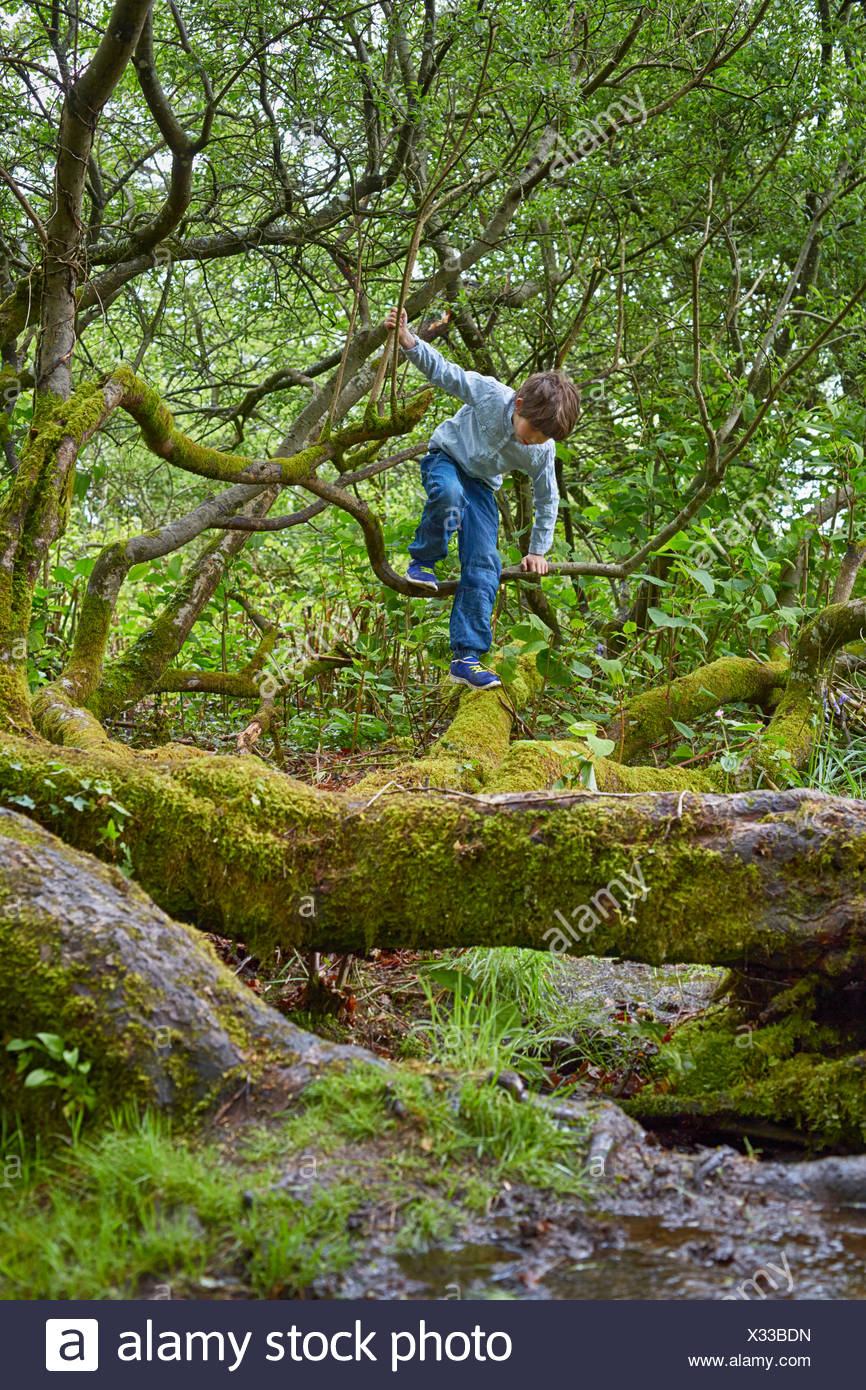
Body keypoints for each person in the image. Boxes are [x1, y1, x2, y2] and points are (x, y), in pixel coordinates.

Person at [384, 306, 581, 689]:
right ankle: (423, 562)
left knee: (485, 562)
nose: (535, 440)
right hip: (446, 460)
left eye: (546, 438)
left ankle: (467, 657)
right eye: (534, 431)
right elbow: (446, 374)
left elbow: (547, 499)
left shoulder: (542, 450)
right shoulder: (492, 395)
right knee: (449, 494)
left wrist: (538, 550)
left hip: (482, 488)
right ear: (520, 406)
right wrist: (408, 340)